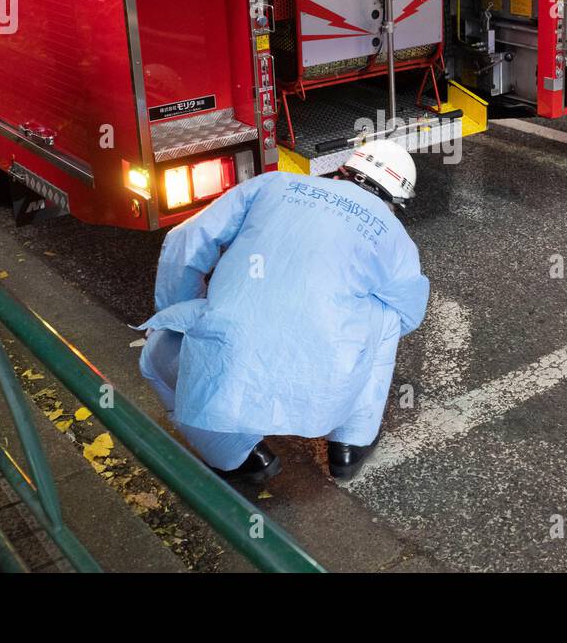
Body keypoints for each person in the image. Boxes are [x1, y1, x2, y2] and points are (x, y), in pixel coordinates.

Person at [137, 139, 429, 484]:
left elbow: (185, 242)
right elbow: (409, 314)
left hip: (227, 358)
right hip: (324, 374)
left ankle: (242, 457)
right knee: (387, 316)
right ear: (394, 201)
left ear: (343, 170)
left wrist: (179, 315)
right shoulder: (395, 235)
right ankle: (350, 443)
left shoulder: (273, 184)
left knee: (157, 354)